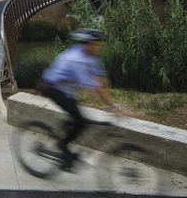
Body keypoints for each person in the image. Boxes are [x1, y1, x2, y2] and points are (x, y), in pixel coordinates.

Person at [39, 28, 126, 169]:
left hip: (68, 89)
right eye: (96, 44)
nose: (100, 47)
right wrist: (113, 106)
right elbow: (96, 88)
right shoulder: (77, 59)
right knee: (81, 121)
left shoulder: (92, 56)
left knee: (77, 118)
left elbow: (102, 79)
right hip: (51, 87)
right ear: (87, 44)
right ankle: (63, 145)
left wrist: (111, 101)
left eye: (100, 44)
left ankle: (67, 128)